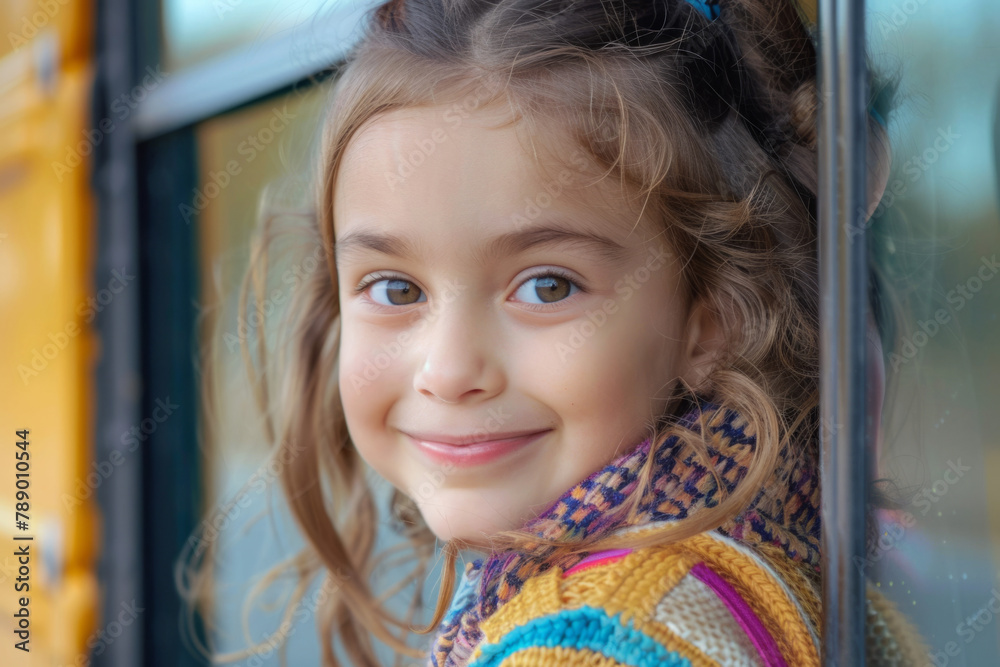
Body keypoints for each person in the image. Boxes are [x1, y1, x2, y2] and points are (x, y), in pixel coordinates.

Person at [186, 0, 928, 664]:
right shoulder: (802, 584)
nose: (448, 370)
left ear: (711, 322)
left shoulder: (586, 643)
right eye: (395, 289)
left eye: (546, 286)